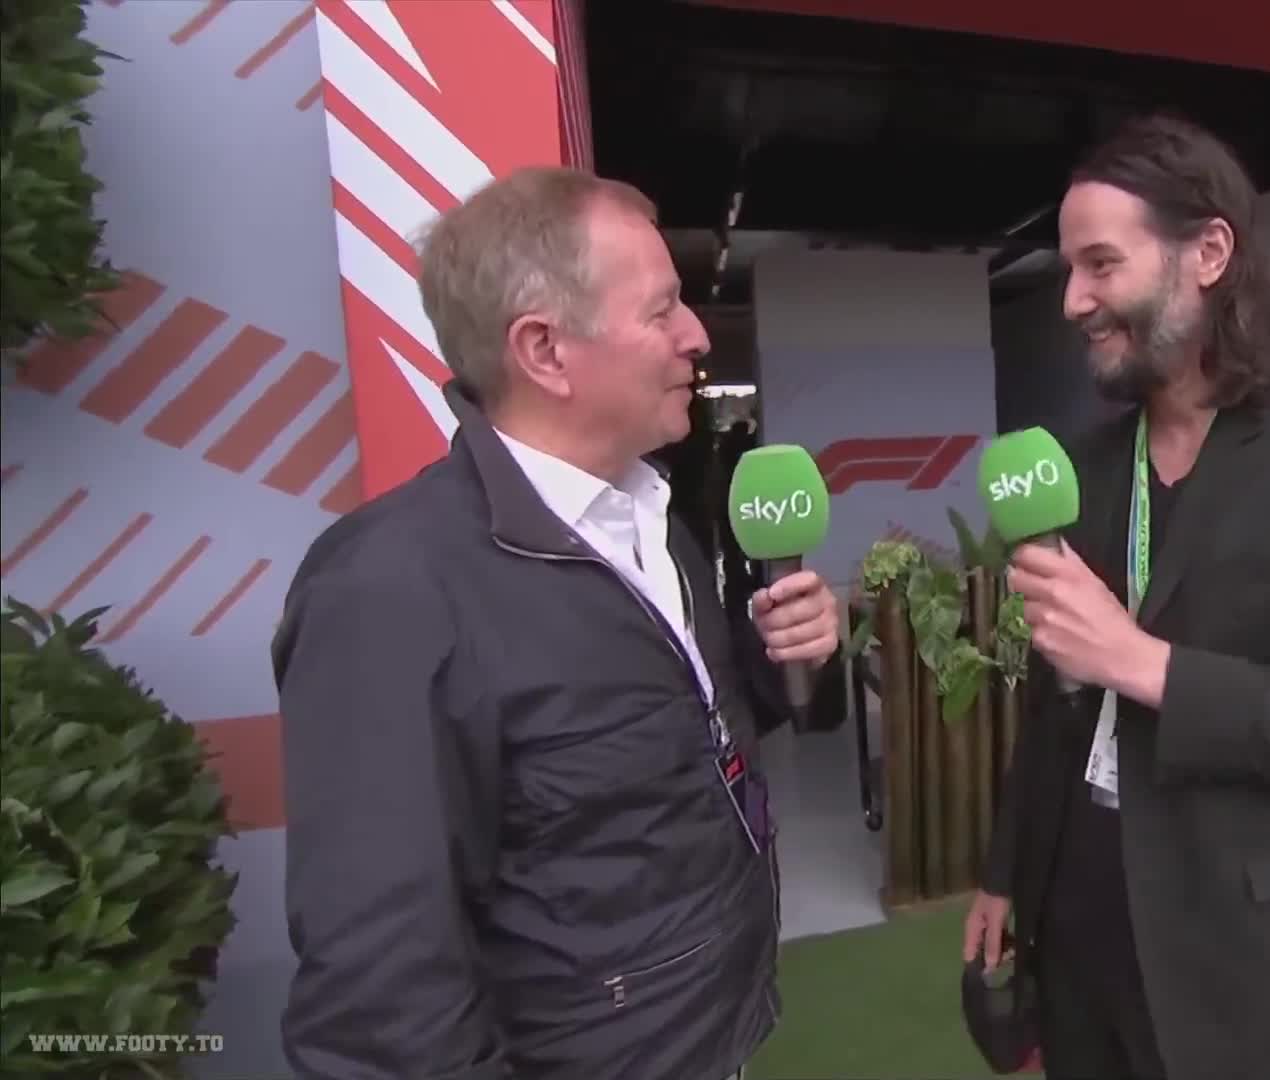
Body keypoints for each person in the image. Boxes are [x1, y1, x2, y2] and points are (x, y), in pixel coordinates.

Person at [271, 167, 842, 1080]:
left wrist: (779, 664)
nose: (698, 335)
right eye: (662, 311)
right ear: (544, 350)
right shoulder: (387, 593)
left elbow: (666, 737)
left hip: (711, 1037)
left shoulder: (653, 518)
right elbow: (383, 1003)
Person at [962, 114, 1270, 1079]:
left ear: (1208, 253)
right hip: (1077, 923)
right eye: (1069, 270)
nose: (1073, 300)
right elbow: (1055, 705)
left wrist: (1143, 664)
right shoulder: (1084, 466)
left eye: (1101, 264)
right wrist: (1005, 877)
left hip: (1249, 950)